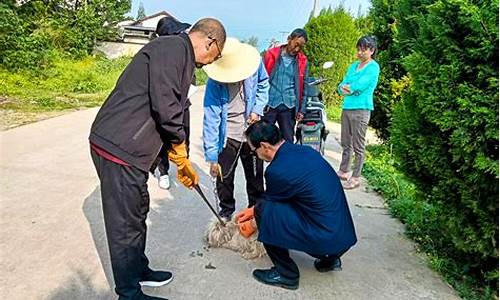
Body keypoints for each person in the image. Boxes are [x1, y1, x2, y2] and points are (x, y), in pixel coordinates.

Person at [89, 18, 226, 300]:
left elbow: (172, 108)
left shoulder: (181, 55)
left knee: (137, 212)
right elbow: (165, 105)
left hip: (133, 150)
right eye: (217, 54)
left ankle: (138, 270)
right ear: (210, 42)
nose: (213, 61)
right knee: (124, 224)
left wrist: (177, 154)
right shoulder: (173, 48)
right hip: (119, 147)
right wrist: (179, 148)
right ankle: (128, 293)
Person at [236, 121, 357, 290]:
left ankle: (286, 275)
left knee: (266, 212)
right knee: (270, 207)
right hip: (343, 239)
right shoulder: (305, 151)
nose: (254, 154)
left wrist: (252, 222)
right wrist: (252, 210)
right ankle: (330, 261)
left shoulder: (276, 170)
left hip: (324, 241)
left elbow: (269, 206)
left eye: (253, 150)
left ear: (264, 146)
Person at [202, 38, 269, 220]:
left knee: (256, 177)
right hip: (228, 135)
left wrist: (257, 109)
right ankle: (226, 212)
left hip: (251, 132)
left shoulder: (254, 65)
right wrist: (212, 157)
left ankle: (255, 212)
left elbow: (264, 84)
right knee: (224, 179)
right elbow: (211, 119)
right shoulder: (215, 82)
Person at [151, 17, 193, 190]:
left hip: (183, 105)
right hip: (167, 106)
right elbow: (163, 96)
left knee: (183, 137)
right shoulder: (160, 54)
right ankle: (164, 171)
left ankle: (180, 166)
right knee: (164, 138)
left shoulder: (184, 54)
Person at [336, 35, 380, 189]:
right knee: (345, 141)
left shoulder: (373, 67)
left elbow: (359, 86)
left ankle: (356, 177)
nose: (360, 53)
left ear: (372, 51)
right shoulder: (353, 66)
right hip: (347, 107)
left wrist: (350, 87)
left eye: (364, 50)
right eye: (359, 49)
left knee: (358, 145)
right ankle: (344, 170)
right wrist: (345, 88)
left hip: (361, 109)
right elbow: (342, 85)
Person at [262, 28, 309, 142]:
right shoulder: (271, 55)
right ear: (289, 39)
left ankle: (285, 159)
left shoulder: (303, 61)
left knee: (288, 140)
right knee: (263, 139)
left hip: (289, 107)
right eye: (296, 44)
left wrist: (301, 110)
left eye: (300, 47)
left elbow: (305, 87)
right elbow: (260, 81)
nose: (297, 49)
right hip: (269, 105)